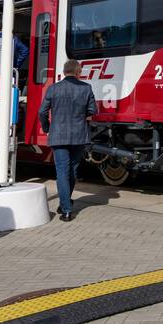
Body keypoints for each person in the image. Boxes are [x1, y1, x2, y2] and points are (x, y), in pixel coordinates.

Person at [38, 59, 96, 222]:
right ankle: (66, 203)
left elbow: (42, 112)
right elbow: (93, 110)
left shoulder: (53, 89)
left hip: (58, 135)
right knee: (73, 171)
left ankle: (66, 209)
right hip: (78, 136)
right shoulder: (86, 88)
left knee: (62, 171)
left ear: (64, 72)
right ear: (78, 72)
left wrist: (47, 127)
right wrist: (80, 116)